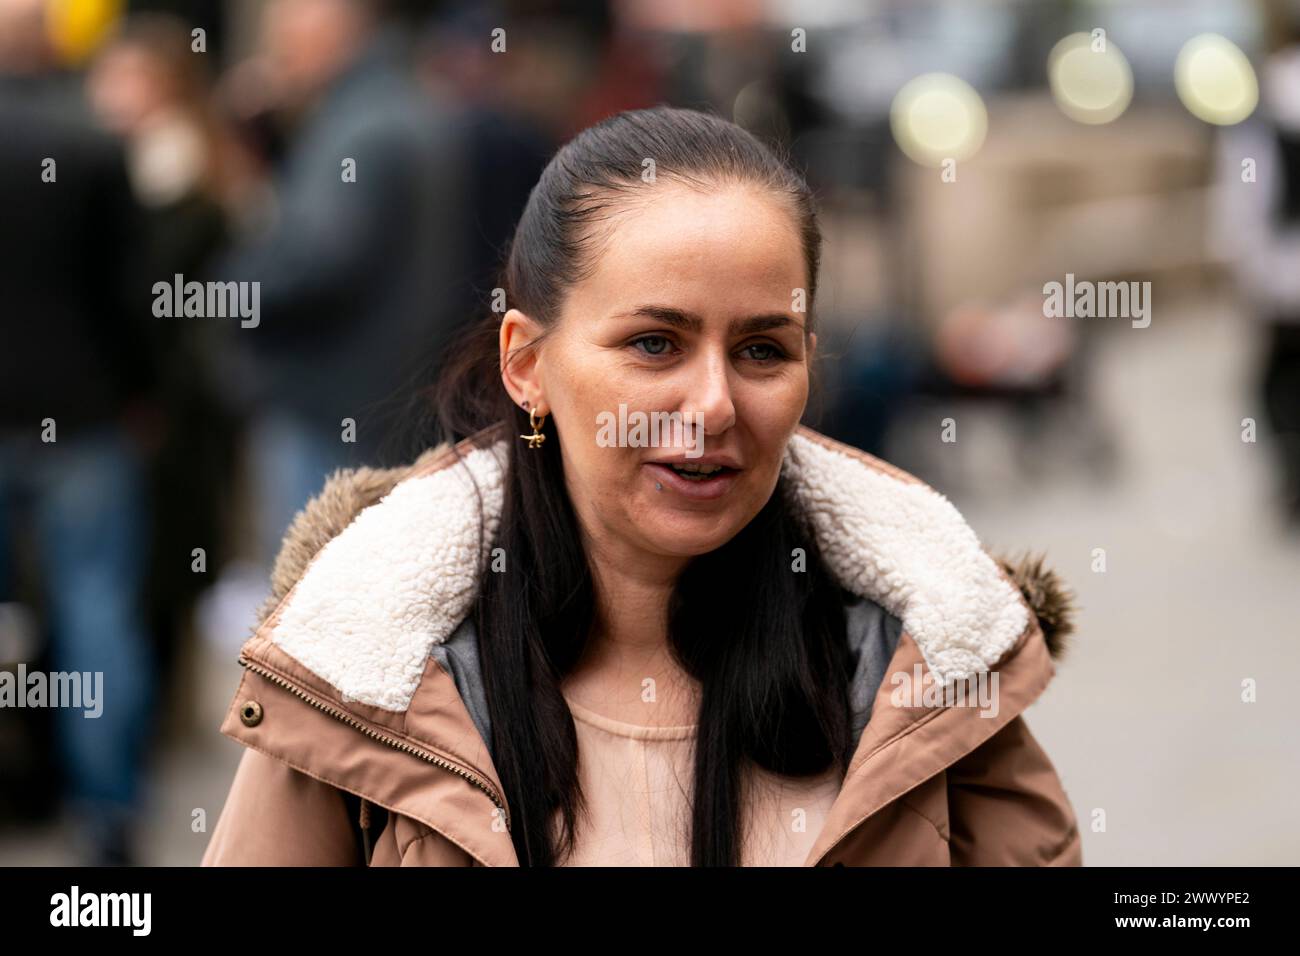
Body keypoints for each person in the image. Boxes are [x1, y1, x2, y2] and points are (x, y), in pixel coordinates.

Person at [201, 106, 1082, 867]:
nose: (713, 404)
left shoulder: (928, 668)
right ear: (526, 364)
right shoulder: (359, 672)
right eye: (655, 343)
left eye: (762, 351)